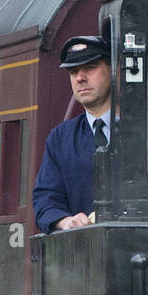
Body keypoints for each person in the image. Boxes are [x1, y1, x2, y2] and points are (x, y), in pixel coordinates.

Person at [33, 35, 116, 233]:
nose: (80, 77)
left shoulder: (143, 129)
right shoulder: (60, 139)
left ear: (113, 70)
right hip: (82, 256)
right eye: (73, 71)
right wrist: (64, 221)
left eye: (90, 67)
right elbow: (46, 200)